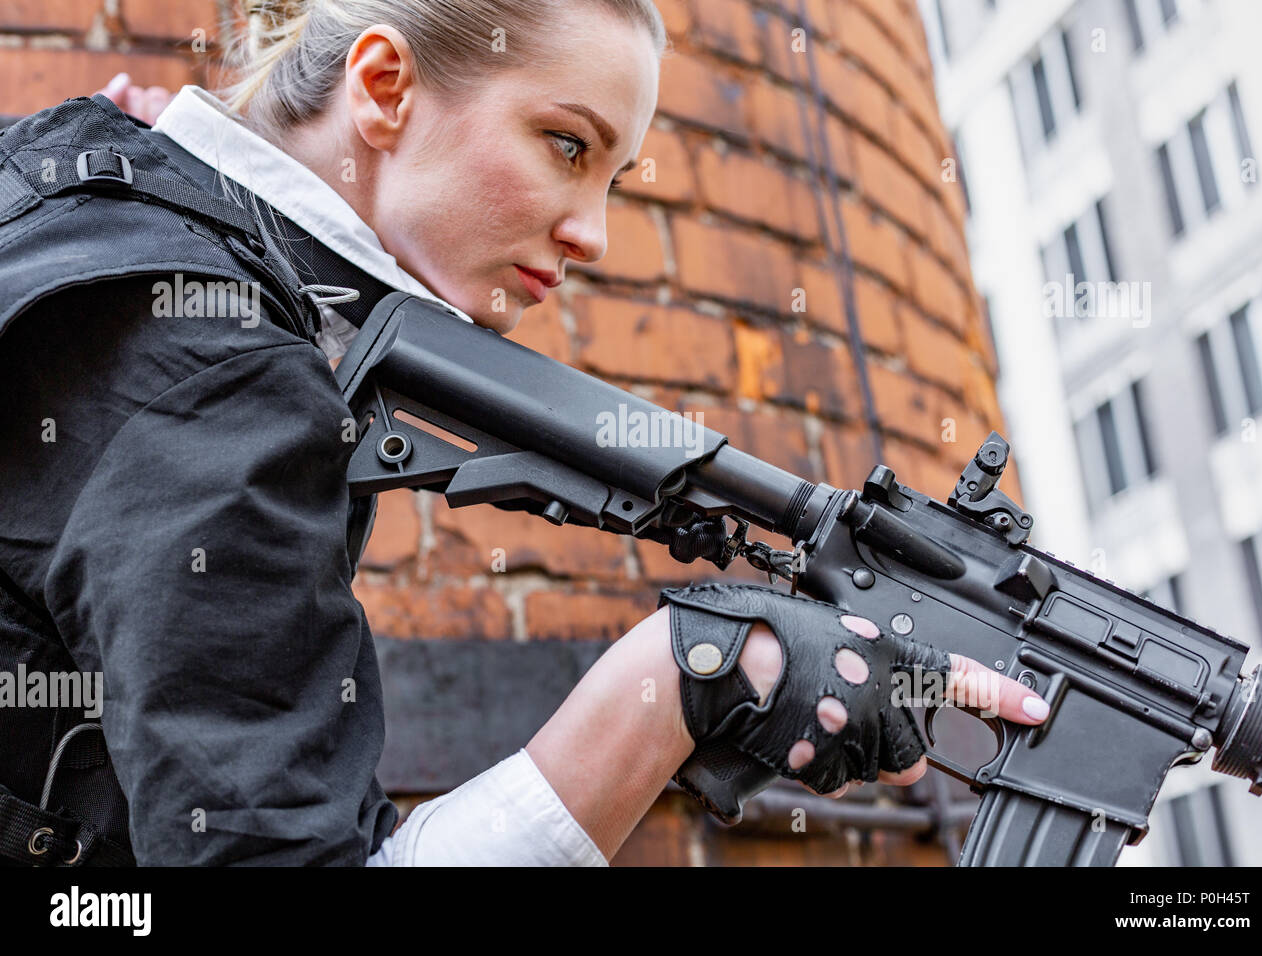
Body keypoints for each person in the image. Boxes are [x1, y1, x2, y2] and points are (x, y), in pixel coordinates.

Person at [0, 0, 1050, 867]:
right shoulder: (216, 372)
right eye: (565, 144)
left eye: (611, 177)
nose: (590, 231)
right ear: (382, 87)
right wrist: (683, 681)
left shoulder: (77, 184)